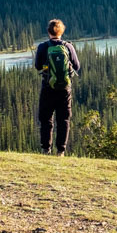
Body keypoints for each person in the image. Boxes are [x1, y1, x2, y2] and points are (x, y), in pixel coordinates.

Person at [34, 19, 81, 156]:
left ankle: (46, 149)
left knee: (46, 119)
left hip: (48, 88)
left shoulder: (43, 47)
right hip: (65, 90)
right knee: (64, 119)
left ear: (48, 31)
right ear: (62, 31)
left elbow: (38, 66)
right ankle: (60, 150)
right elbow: (77, 66)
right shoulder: (68, 46)